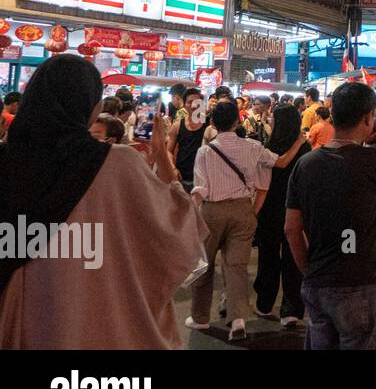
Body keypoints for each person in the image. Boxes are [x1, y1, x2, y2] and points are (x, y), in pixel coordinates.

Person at [0, 56, 205, 348]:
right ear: (91, 106)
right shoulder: (118, 163)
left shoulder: (6, 161)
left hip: (16, 319)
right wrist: (160, 152)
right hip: (93, 324)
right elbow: (175, 230)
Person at [285, 82, 376, 350]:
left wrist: (307, 270)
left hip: (317, 282)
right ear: (368, 118)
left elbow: (291, 228)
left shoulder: (306, 164)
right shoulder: (374, 160)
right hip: (361, 281)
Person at [185, 100, 277, 340]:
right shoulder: (253, 147)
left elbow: (200, 188)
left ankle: (200, 318)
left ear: (212, 122)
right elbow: (276, 161)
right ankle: (238, 319)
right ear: (238, 121)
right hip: (242, 210)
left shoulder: (205, 151)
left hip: (212, 212)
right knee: (236, 266)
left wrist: (189, 212)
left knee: (205, 264)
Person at [254, 104, 310, 327]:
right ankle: (292, 310)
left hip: (269, 210)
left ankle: (265, 303)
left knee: (267, 257)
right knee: (293, 258)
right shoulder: (305, 150)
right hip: (295, 210)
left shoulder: (268, 147)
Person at [168, 87, 208, 191]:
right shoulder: (177, 126)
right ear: (184, 105)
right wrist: (172, 168)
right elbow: (168, 151)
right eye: (190, 102)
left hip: (204, 179)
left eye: (197, 102)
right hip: (182, 177)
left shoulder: (209, 125)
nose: (194, 105)